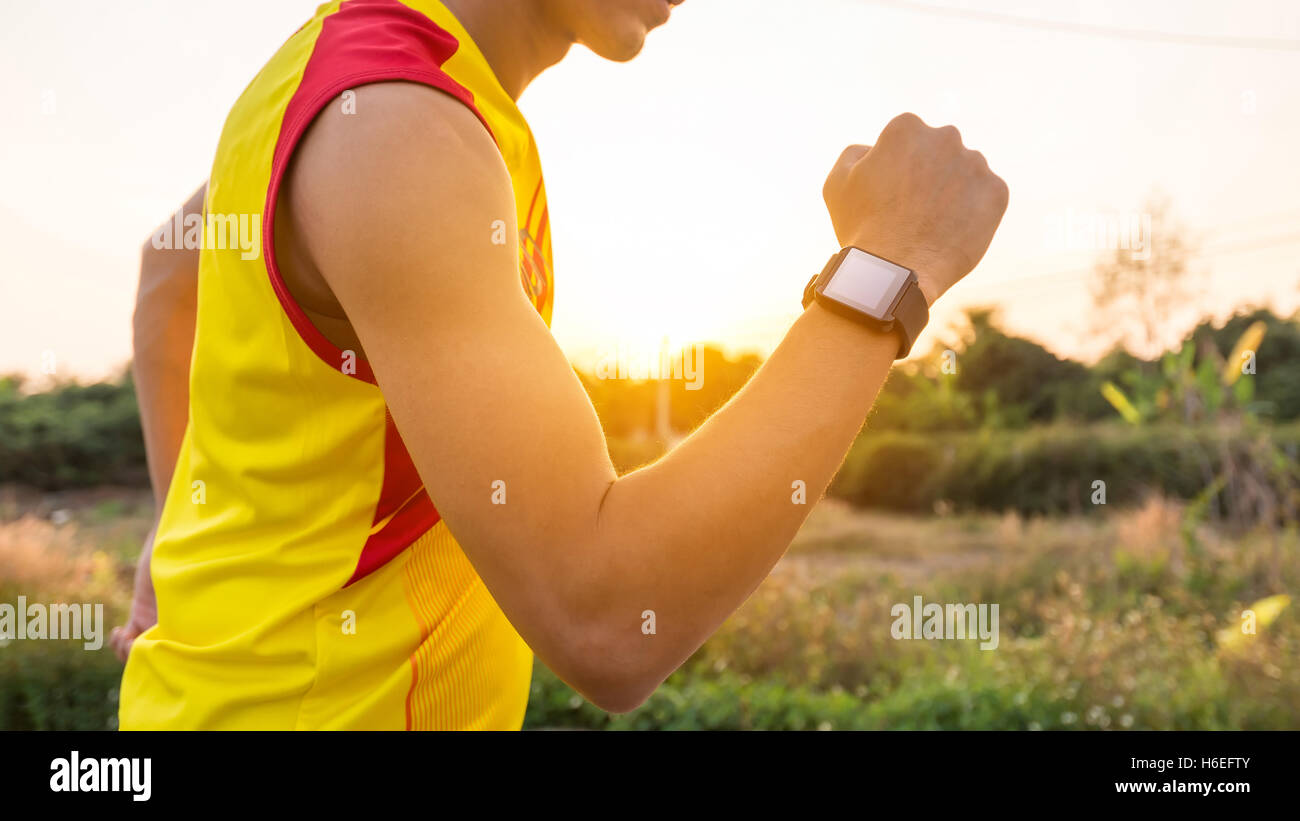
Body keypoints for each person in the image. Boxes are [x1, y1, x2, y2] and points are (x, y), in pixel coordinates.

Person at [115, 0, 1008, 729]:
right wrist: (891, 263)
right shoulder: (396, 129)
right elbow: (607, 612)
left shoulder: (361, 85)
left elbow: (169, 271)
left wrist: (175, 520)